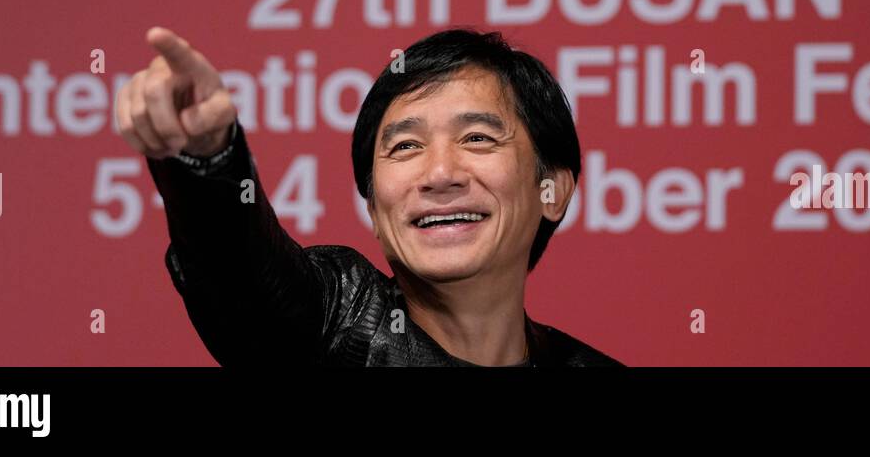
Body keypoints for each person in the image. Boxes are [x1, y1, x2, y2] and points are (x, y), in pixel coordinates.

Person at [115, 25, 623, 367]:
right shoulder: (340, 321)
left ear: (552, 189)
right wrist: (206, 158)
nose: (440, 173)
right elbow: (244, 278)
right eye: (405, 146)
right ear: (375, 210)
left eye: (477, 138)